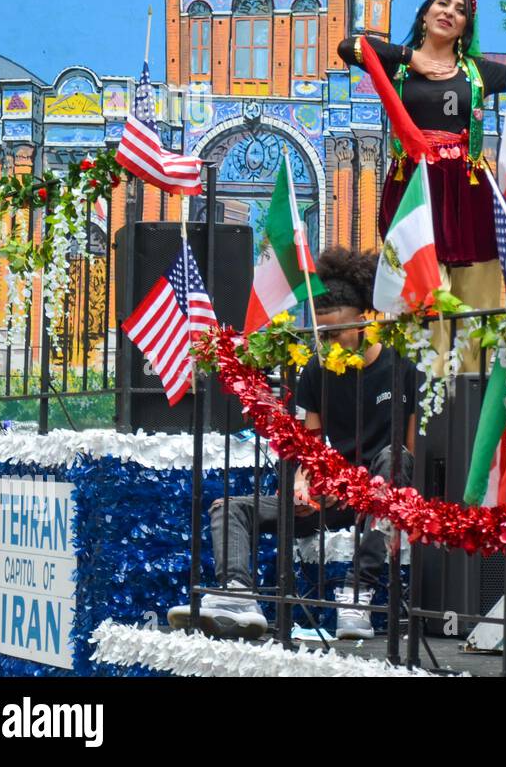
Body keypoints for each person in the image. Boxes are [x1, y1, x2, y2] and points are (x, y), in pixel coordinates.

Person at [168, 247, 417, 640]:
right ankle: (236, 594)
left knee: (395, 459)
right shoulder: (317, 369)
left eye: (336, 333)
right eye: (322, 335)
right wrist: (306, 480)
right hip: (332, 495)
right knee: (229, 508)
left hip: (379, 497)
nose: (329, 343)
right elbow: (311, 444)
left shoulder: (402, 365)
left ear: (364, 323)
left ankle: (358, 592)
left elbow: (408, 455)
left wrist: (367, 494)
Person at [337, 0, 506, 330]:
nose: (450, 12)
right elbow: (348, 46)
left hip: (467, 193)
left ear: (465, 28)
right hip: (414, 188)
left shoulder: (478, 72)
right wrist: (411, 57)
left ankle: (467, 379)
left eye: (460, 11)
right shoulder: (398, 67)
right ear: (426, 13)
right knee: (421, 296)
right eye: (443, 4)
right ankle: (422, 379)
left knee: (474, 299)